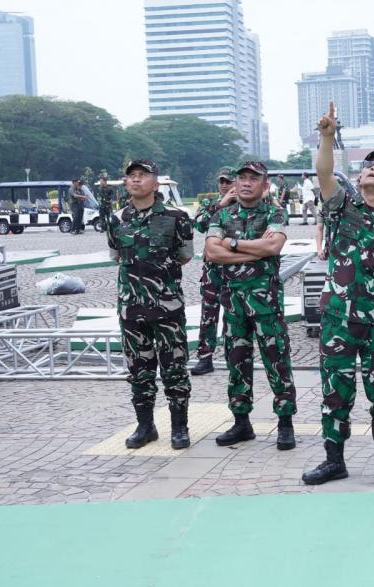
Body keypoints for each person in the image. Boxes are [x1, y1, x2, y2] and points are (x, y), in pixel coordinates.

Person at [302, 103, 374, 490]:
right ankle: (335, 461)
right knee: (336, 394)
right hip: (338, 320)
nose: (371, 168)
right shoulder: (340, 207)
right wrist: (328, 136)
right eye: (367, 164)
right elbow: (324, 171)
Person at [204, 161, 297, 450]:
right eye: (241, 178)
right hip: (233, 302)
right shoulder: (222, 213)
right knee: (236, 361)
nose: (245, 183)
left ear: (265, 185)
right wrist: (250, 251)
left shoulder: (275, 212)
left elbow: (273, 247)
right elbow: (211, 252)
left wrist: (230, 244)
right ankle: (241, 422)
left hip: (265, 302)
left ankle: (285, 423)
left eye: (252, 179)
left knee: (277, 361)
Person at [106, 159, 195, 450]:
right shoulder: (117, 219)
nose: (135, 180)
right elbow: (115, 256)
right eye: (131, 175)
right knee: (138, 370)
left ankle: (179, 427)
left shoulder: (176, 216)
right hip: (131, 309)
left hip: (166, 307)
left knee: (174, 368)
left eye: (142, 175)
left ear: (155, 183)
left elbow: (185, 255)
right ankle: (145, 426)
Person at [188, 166, 237, 376]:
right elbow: (198, 224)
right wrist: (220, 205)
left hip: (236, 268)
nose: (225, 185)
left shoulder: (245, 204)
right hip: (213, 270)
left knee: (234, 314)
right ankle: (205, 357)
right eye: (222, 181)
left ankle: (233, 356)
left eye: (228, 181)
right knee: (208, 313)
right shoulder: (211, 204)